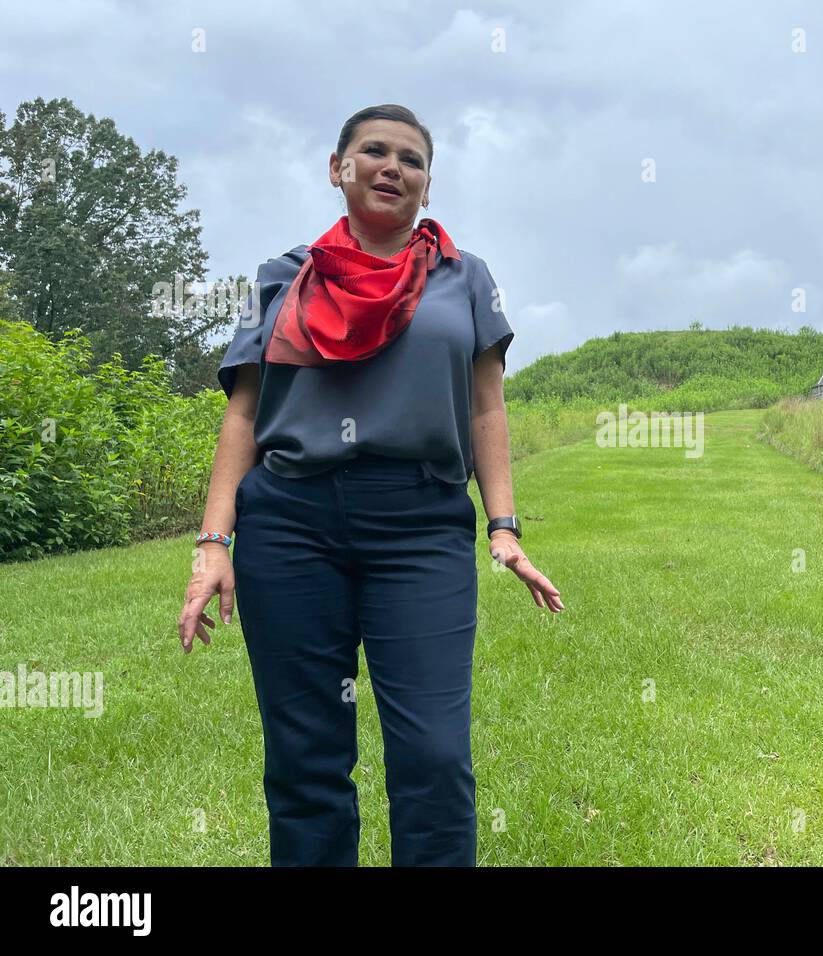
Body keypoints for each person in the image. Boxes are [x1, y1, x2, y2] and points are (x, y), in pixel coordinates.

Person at [175, 103, 563, 867]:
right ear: (337, 168)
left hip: (418, 525)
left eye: (411, 159)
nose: (392, 167)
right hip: (289, 525)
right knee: (305, 759)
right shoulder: (282, 278)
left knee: (434, 756)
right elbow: (243, 414)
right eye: (374, 152)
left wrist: (504, 526)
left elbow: (487, 407)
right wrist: (213, 543)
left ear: (427, 186)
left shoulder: (465, 278)